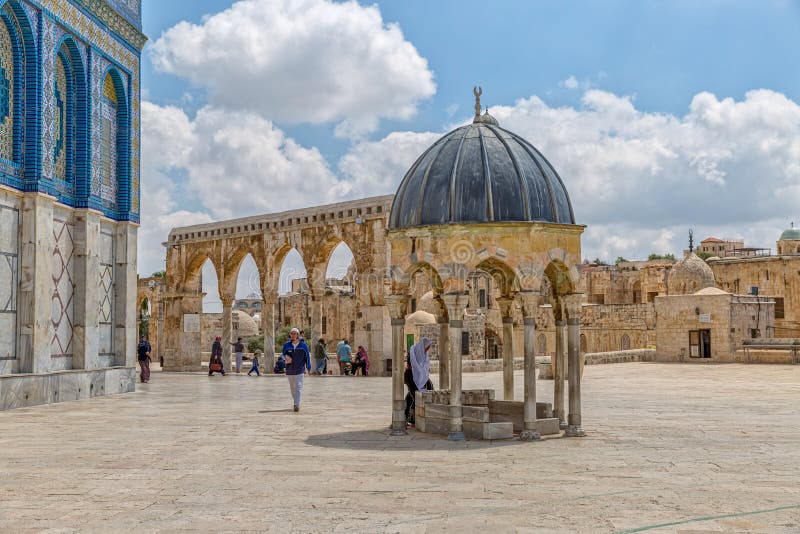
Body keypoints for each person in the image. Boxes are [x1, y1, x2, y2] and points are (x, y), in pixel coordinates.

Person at [405, 338, 433, 425]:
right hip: (410, 376)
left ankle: (410, 416)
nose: (428, 349)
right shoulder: (413, 351)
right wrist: (420, 371)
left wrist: (423, 373)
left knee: (428, 388)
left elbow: (424, 365)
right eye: (427, 347)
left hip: (420, 377)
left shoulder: (424, 353)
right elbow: (414, 365)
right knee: (415, 395)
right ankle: (411, 418)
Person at [282, 328, 311, 411]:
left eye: (294, 333)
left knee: (298, 387)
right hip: (290, 370)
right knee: (292, 388)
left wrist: (308, 367)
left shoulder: (303, 346)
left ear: (298, 335)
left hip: (300, 370)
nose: (293, 335)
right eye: (291, 333)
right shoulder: (286, 345)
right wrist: (286, 358)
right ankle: (296, 400)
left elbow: (307, 357)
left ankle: (296, 404)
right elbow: (283, 355)